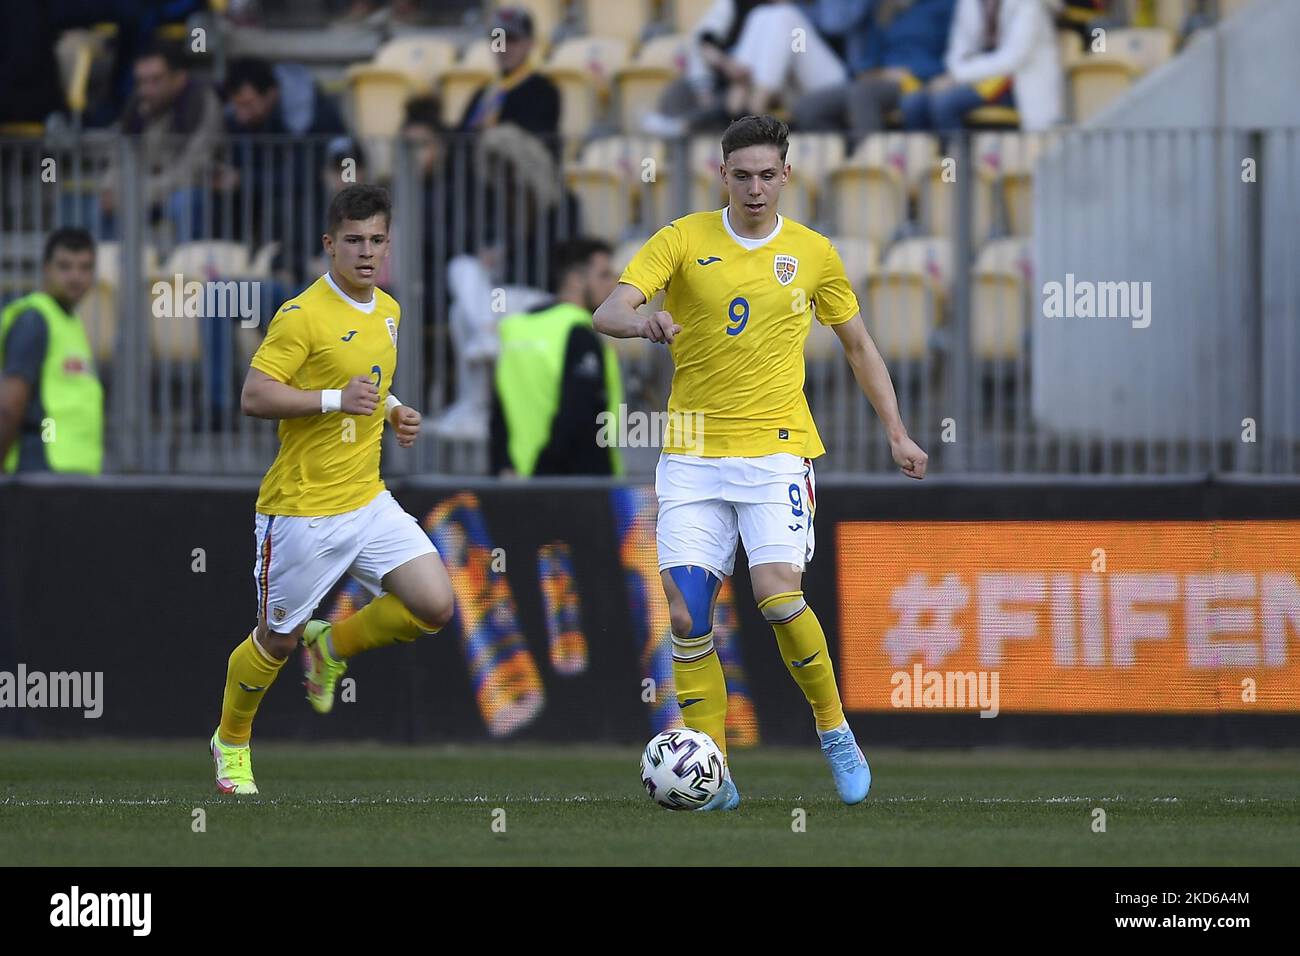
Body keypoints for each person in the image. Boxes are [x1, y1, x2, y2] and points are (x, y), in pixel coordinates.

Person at [594, 115, 928, 809]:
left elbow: (860, 347)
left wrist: (896, 430)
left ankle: (835, 731)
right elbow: (608, 309)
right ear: (722, 175)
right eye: (741, 174)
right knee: (688, 620)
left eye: (766, 175)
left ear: (786, 177)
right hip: (690, 454)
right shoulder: (682, 239)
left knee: (778, 595)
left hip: (777, 450)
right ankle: (712, 773)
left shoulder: (813, 254)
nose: (754, 187)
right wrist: (642, 320)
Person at [209, 185, 455, 795]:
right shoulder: (301, 314)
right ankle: (231, 741)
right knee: (275, 640)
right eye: (354, 241)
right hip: (302, 509)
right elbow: (254, 396)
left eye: (376, 240)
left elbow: (367, 382)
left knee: (435, 605)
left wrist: (394, 410)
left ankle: (333, 643)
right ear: (330, 245)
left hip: (367, 499)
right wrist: (332, 401)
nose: (366, 253)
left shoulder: (391, 311)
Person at [490, 239, 624, 478]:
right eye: (604, 275)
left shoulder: (515, 327)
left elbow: (499, 409)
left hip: (516, 476)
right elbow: (578, 416)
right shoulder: (578, 331)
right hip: (573, 481)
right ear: (576, 278)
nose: (613, 284)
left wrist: (503, 465)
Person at [0, 228, 102, 474]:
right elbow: (10, 404)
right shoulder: (34, 320)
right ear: (46, 269)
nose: (75, 277)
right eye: (65, 267)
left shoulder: (69, 322)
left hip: (71, 471)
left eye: (85, 268)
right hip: (41, 464)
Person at [98, 44, 224, 240]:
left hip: (187, 190)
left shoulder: (201, 101)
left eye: (156, 80)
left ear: (179, 78)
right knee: (100, 207)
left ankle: (184, 270)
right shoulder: (137, 105)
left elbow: (192, 169)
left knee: (185, 203)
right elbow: (118, 155)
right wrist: (110, 187)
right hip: (146, 191)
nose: (147, 90)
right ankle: (111, 269)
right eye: (141, 82)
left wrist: (137, 194)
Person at [793, 0, 958, 140]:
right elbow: (869, 56)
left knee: (861, 93)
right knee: (808, 107)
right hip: (879, 78)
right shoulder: (883, 8)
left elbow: (952, 55)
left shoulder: (943, 6)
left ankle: (871, 165)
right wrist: (869, 71)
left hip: (918, 82)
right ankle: (843, 163)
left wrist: (912, 72)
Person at [902, 0, 1064, 131]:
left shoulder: (1030, 4)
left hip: (1015, 83)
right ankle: (927, 166)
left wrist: (958, 75)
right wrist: (956, 74)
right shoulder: (970, 3)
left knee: (944, 104)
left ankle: (955, 166)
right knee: (914, 103)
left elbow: (1014, 58)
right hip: (975, 77)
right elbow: (958, 50)